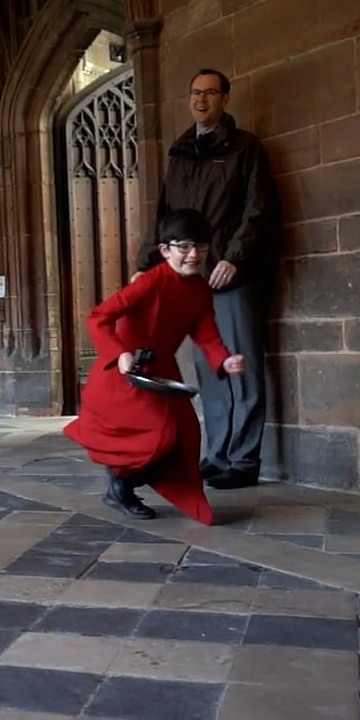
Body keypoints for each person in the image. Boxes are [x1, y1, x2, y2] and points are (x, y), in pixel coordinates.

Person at [142, 68, 277, 490]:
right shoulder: (180, 152)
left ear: (225, 99)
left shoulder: (245, 147)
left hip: (231, 273)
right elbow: (165, 214)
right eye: (195, 92)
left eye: (210, 93)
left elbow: (258, 211)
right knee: (210, 368)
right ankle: (217, 454)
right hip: (192, 276)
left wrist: (235, 258)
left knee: (244, 367)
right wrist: (148, 262)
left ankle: (243, 459)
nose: (201, 100)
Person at [67, 209, 244, 524]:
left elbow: (206, 333)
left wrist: (224, 359)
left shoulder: (200, 290)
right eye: (185, 247)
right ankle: (121, 485)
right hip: (124, 375)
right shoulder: (149, 282)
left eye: (201, 247)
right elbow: (98, 317)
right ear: (165, 250)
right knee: (153, 437)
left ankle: (125, 482)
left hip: (161, 373)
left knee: (186, 436)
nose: (194, 255)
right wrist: (119, 353)